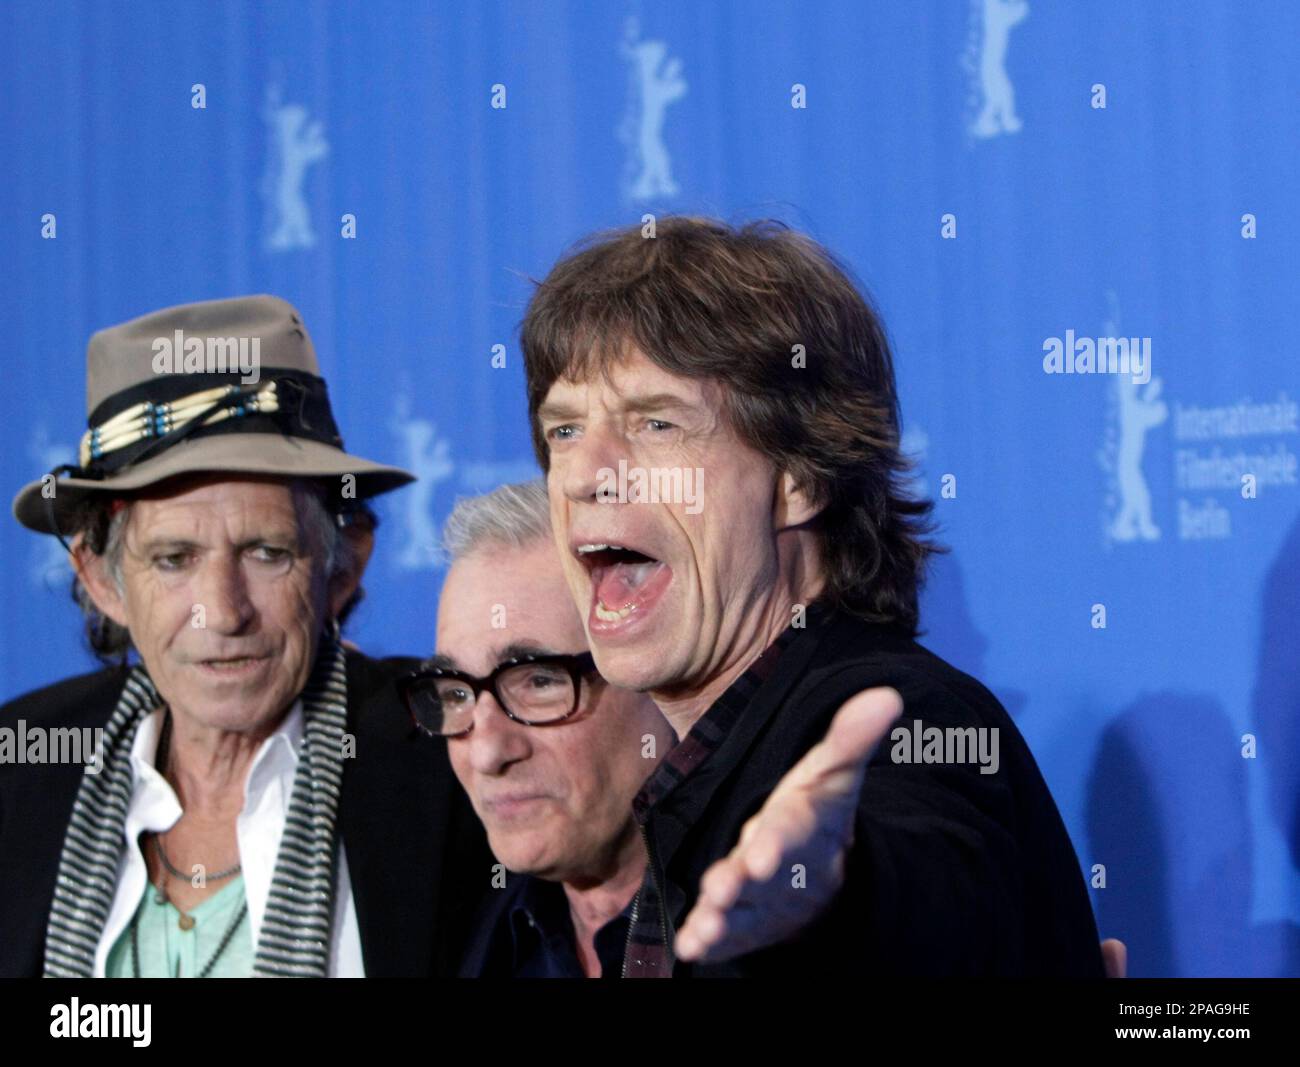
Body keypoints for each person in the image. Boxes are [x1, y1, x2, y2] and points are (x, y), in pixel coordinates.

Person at [520, 216, 1107, 976]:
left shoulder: (901, 716)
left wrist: (834, 893)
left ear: (800, 478)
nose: (584, 473)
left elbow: (922, 873)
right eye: (563, 431)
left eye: (655, 422)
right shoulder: (708, 768)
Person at [0, 294, 491, 977]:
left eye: (267, 552)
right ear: (102, 579)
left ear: (342, 564)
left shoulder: (456, 759)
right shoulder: (20, 768)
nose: (222, 612)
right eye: (173, 559)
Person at [400, 481, 674, 977]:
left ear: (664, 680)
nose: (486, 753)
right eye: (455, 693)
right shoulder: (469, 942)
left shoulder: (780, 931)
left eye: (539, 681)